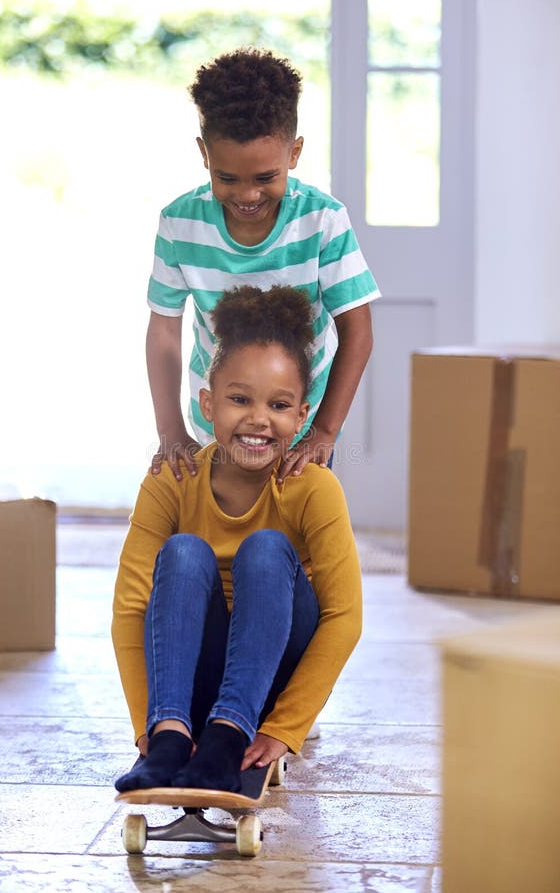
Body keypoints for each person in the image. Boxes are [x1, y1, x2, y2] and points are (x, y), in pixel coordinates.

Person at [113, 285, 362, 793]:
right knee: (183, 551)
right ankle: (171, 735)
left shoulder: (315, 488)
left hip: (270, 680)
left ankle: (229, 734)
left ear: (301, 416)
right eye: (239, 399)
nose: (257, 418)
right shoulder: (171, 480)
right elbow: (131, 608)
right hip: (189, 681)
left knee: (267, 549)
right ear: (208, 404)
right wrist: (147, 723)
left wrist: (284, 726)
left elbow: (344, 617)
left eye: (279, 404)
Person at [146, 48, 380, 485]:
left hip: (301, 432)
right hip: (214, 426)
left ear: (294, 153)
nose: (247, 195)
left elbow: (358, 330)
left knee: (291, 544)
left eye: (265, 178)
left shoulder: (322, 221)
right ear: (205, 155)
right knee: (220, 537)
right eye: (228, 178)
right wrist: (170, 429)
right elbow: (163, 330)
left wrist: (324, 432)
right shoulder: (180, 223)